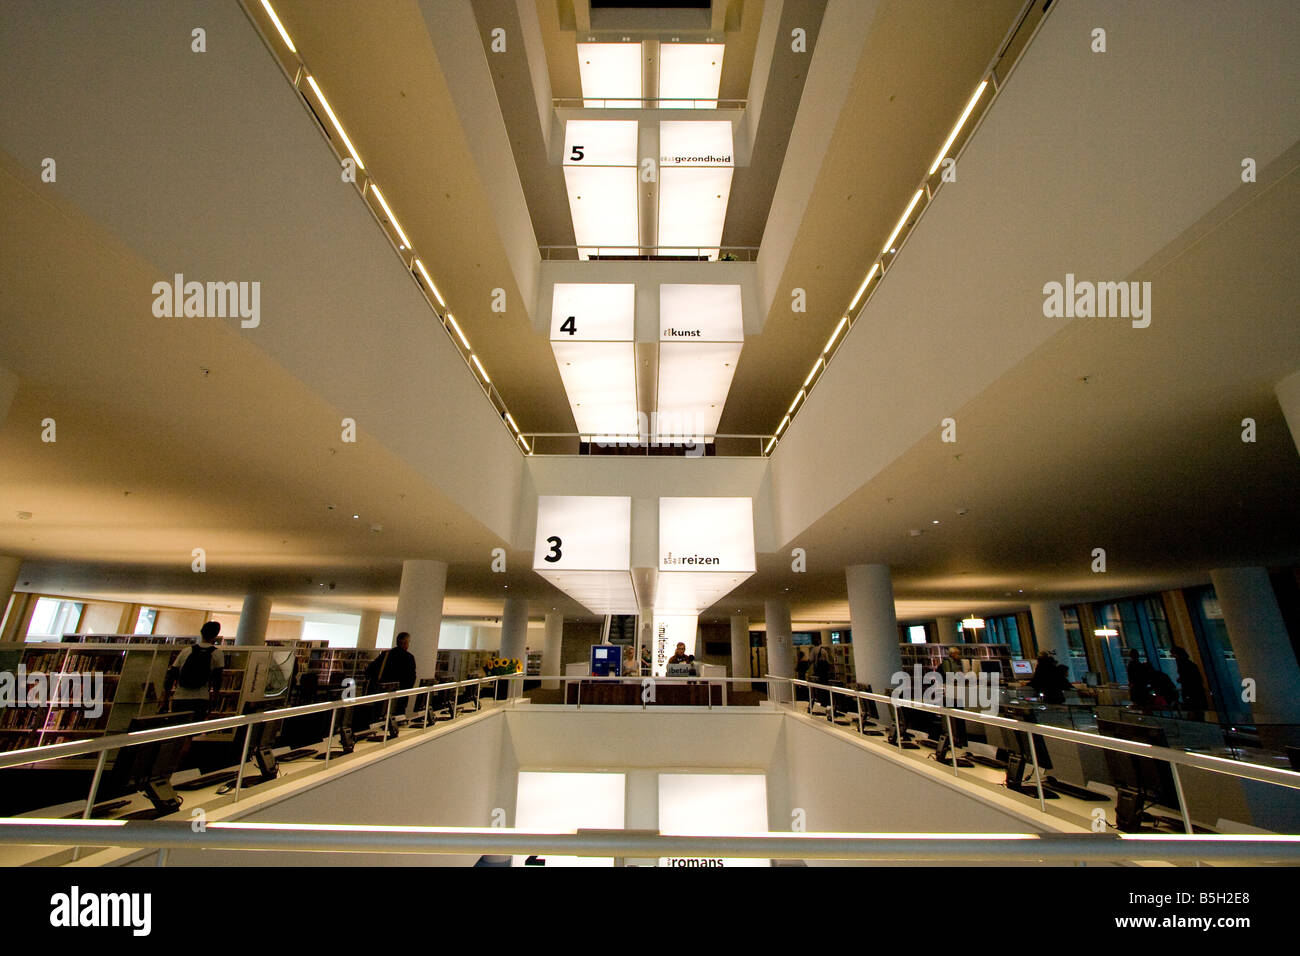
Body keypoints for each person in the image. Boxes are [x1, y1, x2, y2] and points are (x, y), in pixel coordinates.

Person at [165, 621, 225, 720]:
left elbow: (172, 674)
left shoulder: (186, 651)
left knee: (176, 728)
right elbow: (217, 679)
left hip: (180, 697)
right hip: (201, 698)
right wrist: (214, 699)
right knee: (193, 729)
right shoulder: (217, 653)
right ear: (216, 635)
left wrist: (166, 699)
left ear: (201, 633)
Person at [1172, 646, 1207, 721]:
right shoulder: (1190, 664)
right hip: (1196, 694)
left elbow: (1188, 679)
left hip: (1191, 694)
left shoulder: (1183, 665)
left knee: (1194, 713)